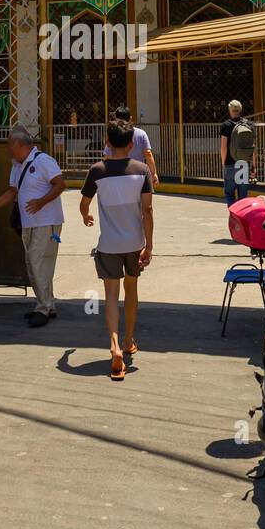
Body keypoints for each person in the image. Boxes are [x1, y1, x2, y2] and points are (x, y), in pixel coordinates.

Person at [80, 118, 154, 381]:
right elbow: (147, 210)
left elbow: (84, 203)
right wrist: (150, 244)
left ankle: (113, 347)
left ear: (107, 143)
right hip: (134, 243)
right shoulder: (142, 170)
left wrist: (86, 216)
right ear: (132, 143)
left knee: (111, 295)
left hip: (108, 244)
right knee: (130, 290)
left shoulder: (97, 170)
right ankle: (128, 340)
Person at [0, 127, 65, 327]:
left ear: (19, 144)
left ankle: (43, 308)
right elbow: (12, 192)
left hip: (46, 221)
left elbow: (60, 184)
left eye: (9, 145)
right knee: (35, 264)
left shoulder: (43, 161)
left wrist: (41, 202)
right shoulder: (17, 165)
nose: (8, 150)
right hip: (29, 222)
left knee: (37, 262)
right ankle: (47, 304)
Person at [102, 104, 159, 186]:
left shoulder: (113, 134)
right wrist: (154, 174)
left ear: (116, 119)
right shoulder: (141, 133)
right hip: (138, 173)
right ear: (130, 118)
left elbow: (107, 156)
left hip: (118, 174)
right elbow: (148, 154)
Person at [220, 99, 255, 205]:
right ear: (240, 110)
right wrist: (253, 166)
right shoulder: (248, 125)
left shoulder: (226, 125)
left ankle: (234, 217)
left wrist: (224, 163)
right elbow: (253, 148)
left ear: (230, 110)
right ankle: (242, 219)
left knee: (229, 194)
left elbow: (224, 147)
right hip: (244, 164)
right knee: (243, 197)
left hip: (230, 164)